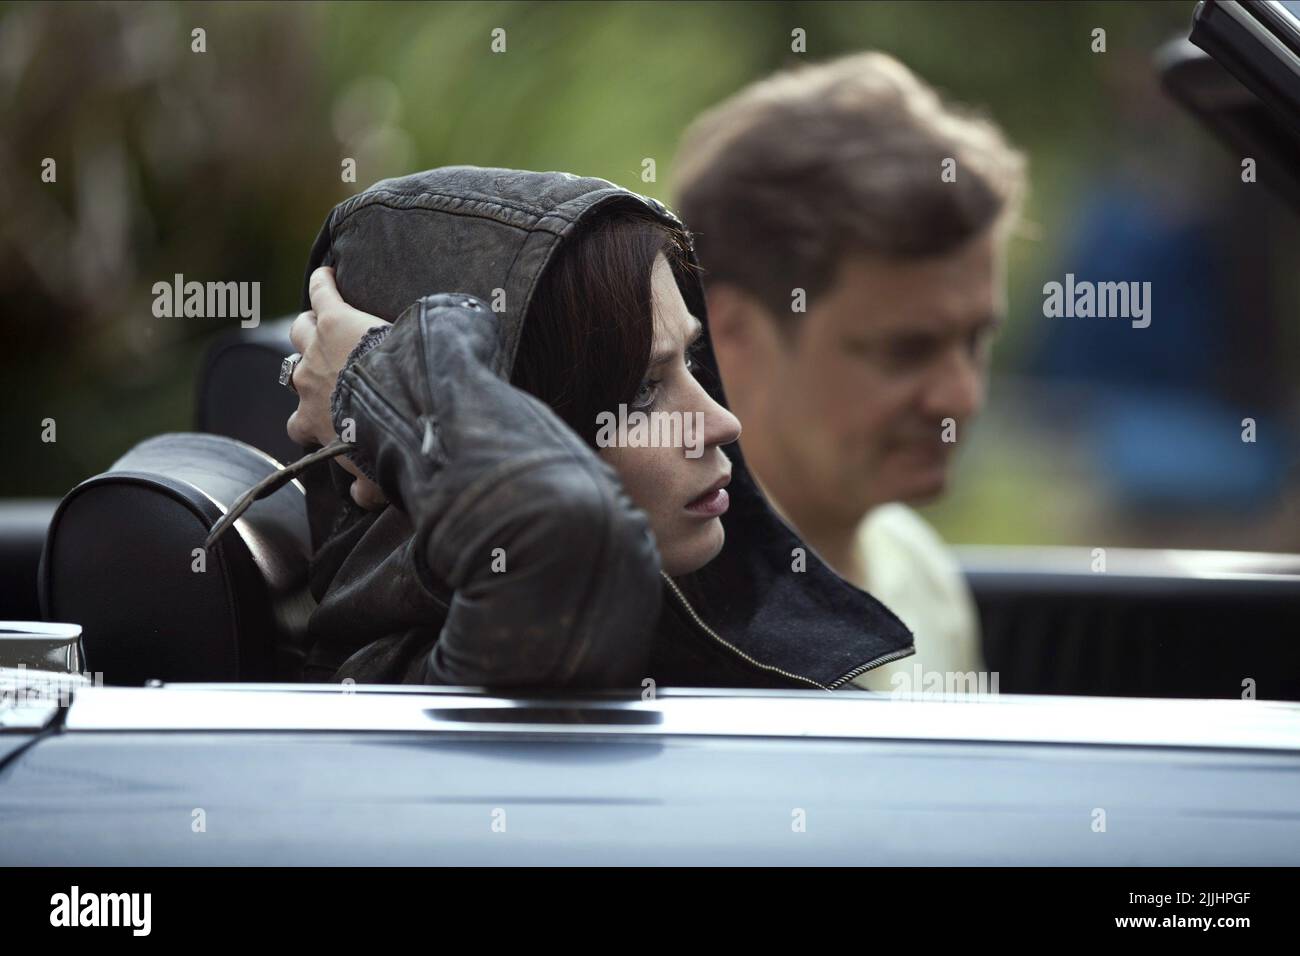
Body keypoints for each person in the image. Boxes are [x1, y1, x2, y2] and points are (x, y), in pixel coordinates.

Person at [281, 165, 914, 690]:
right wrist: (382, 383)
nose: (721, 422)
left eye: (690, 362)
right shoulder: (406, 677)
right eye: (640, 389)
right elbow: (568, 543)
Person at [670, 52, 1026, 691]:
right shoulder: (677, 631)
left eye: (976, 341)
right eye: (904, 350)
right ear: (728, 332)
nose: (962, 396)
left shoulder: (915, 563)